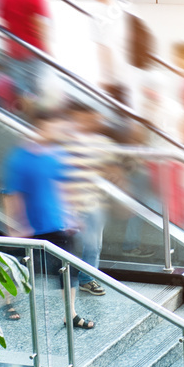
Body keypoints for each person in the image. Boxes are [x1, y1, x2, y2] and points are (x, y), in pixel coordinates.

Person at [0, 107, 94, 328]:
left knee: (67, 270)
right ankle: (5, 301)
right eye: (55, 126)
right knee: (20, 269)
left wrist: (72, 214)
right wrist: (14, 225)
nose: (60, 130)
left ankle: (70, 315)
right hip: (30, 228)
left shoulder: (56, 154)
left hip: (57, 224)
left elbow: (63, 185)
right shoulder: (20, 159)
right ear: (41, 127)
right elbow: (10, 194)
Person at [59, 101, 117, 297]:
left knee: (95, 245)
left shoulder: (102, 143)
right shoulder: (66, 142)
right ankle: (82, 279)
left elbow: (110, 169)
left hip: (95, 201)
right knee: (85, 243)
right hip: (74, 203)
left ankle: (86, 278)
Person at [0, 0, 51, 108]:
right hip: (34, 50)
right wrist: (48, 51)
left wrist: (6, 49)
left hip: (14, 51)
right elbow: (41, 27)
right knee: (36, 92)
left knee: (20, 90)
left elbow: (3, 25)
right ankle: (33, 121)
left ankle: (23, 118)